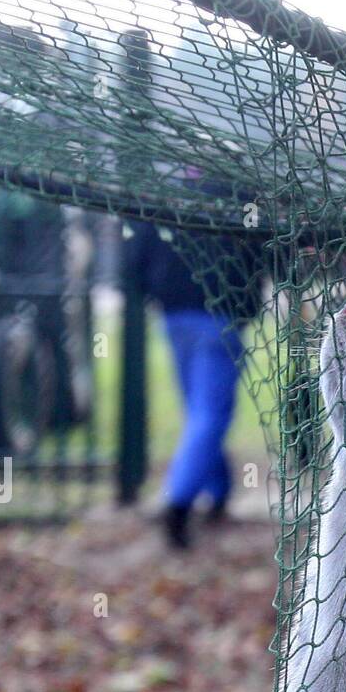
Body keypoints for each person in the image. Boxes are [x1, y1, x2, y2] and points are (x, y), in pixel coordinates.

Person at [127, 210, 258, 549]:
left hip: (176, 313)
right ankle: (179, 502)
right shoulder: (239, 194)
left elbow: (135, 256)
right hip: (218, 313)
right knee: (209, 413)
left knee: (200, 409)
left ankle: (217, 493)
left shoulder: (163, 194)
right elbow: (265, 252)